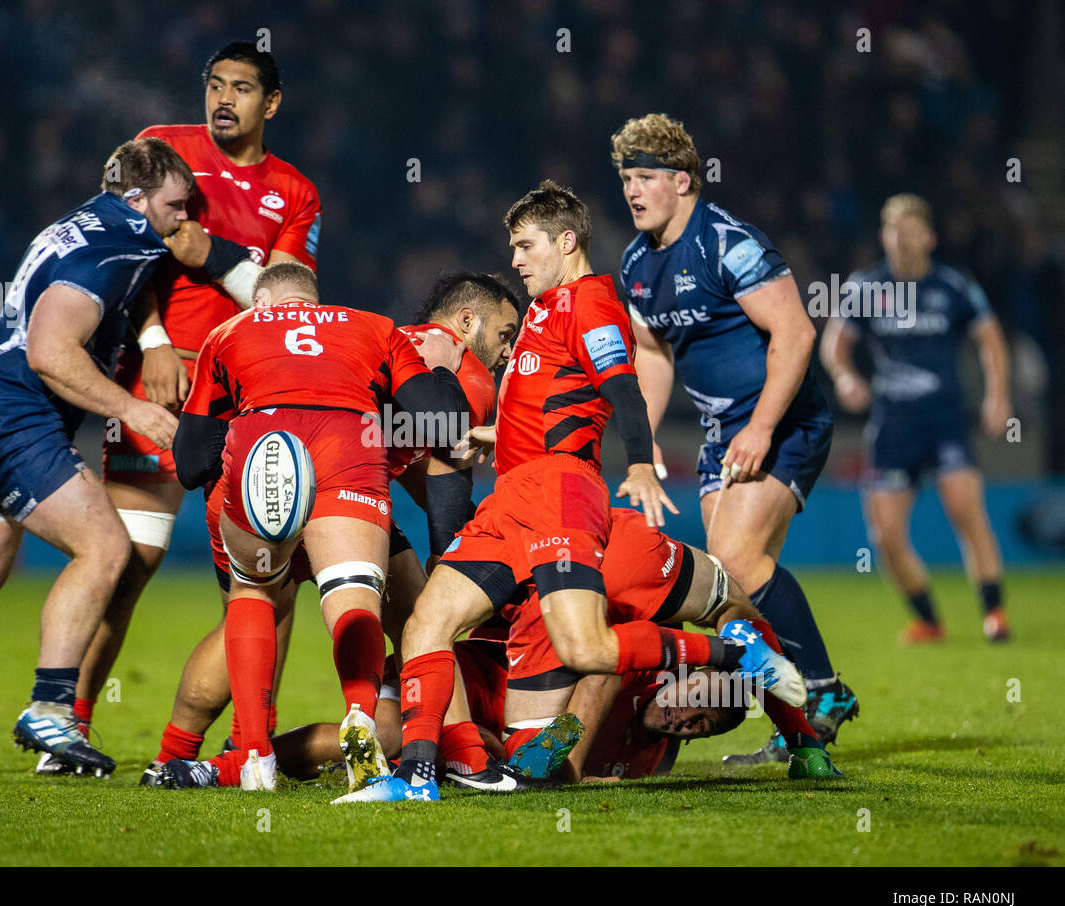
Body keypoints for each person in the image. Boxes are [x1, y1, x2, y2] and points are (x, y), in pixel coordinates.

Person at [337, 181, 804, 804]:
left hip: (561, 492)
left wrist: (639, 464)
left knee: (588, 648)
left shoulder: (591, 301)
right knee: (427, 621)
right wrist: (495, 433)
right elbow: (559, 397)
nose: (516, 260)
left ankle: (727, 652)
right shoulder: (538, 312)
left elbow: (621, 390)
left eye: (526, 246)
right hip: (513, 496)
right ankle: (416, 781)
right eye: (512, 247)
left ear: (567, 241)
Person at [0, 138, 201, 778]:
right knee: (106, 550)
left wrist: (150, 336)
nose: (181, 219)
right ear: (136, 200)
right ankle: (50, 707)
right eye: (174, 205)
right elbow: (51, 351)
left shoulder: (81, 224)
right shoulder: (118, 245)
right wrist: (131, 411)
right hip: (11, 421)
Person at [44, 41, 321, 771]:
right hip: (153, 380)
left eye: (241, 88)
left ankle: (248, 739)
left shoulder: (295, 192)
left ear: (272, 104)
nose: (223, 99)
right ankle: (67, 725)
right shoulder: (160, 148)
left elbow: (291, 296)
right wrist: (157, 338)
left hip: (242, 395)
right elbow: (115, 254)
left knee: (266, 572)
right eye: (215, 85)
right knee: (131, 561)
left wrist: (215, 254)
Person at [611, 113, 858, 767]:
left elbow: (797, 334)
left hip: (784, 422)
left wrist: (763, 426)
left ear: (682, 181)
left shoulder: (729, 243)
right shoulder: (637, 263)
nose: (632, 191)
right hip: (728, 431)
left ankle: (827, 692)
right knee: (734, 584)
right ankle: (800, 733)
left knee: (738, 561)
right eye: (626, 179)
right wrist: (646, 437)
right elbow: (655, 354)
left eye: (644, 178)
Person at [168, 262, 470, 791]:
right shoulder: (376, 327)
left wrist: (241, 438)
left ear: (262, 301)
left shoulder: (229, 332)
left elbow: (191, 462)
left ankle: (255, 755)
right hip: (347, 445)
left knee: (255, 593)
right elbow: (438, 419)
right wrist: (443, 368)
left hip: (264, 443)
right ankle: (362, 716)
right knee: (355, 599)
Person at [500, 509, 842, 781]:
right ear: (682, 675)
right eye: (697, 697)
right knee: (588, 666)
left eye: (700, 725)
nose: (686, 717)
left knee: (449, 621)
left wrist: (642, 463)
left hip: (571, 523)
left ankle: (462, 756)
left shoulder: (648, 760)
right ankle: (791, 724)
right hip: (589, 559)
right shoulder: (651, 671)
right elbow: (611, 665)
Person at [820, 193, 1012, 644]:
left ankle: (995, 614)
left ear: (929, 238)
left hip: (945, 419)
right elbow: (834, 343)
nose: (900, 241)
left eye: (909, 232)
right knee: (884, 535)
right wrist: (846, 376)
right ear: (883, 237)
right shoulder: (866, 287)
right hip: (892, 425)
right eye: (892, 232)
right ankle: (929, 619)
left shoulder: (954, 286)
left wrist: (998, 398)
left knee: (966, 511)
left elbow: (991, 341)